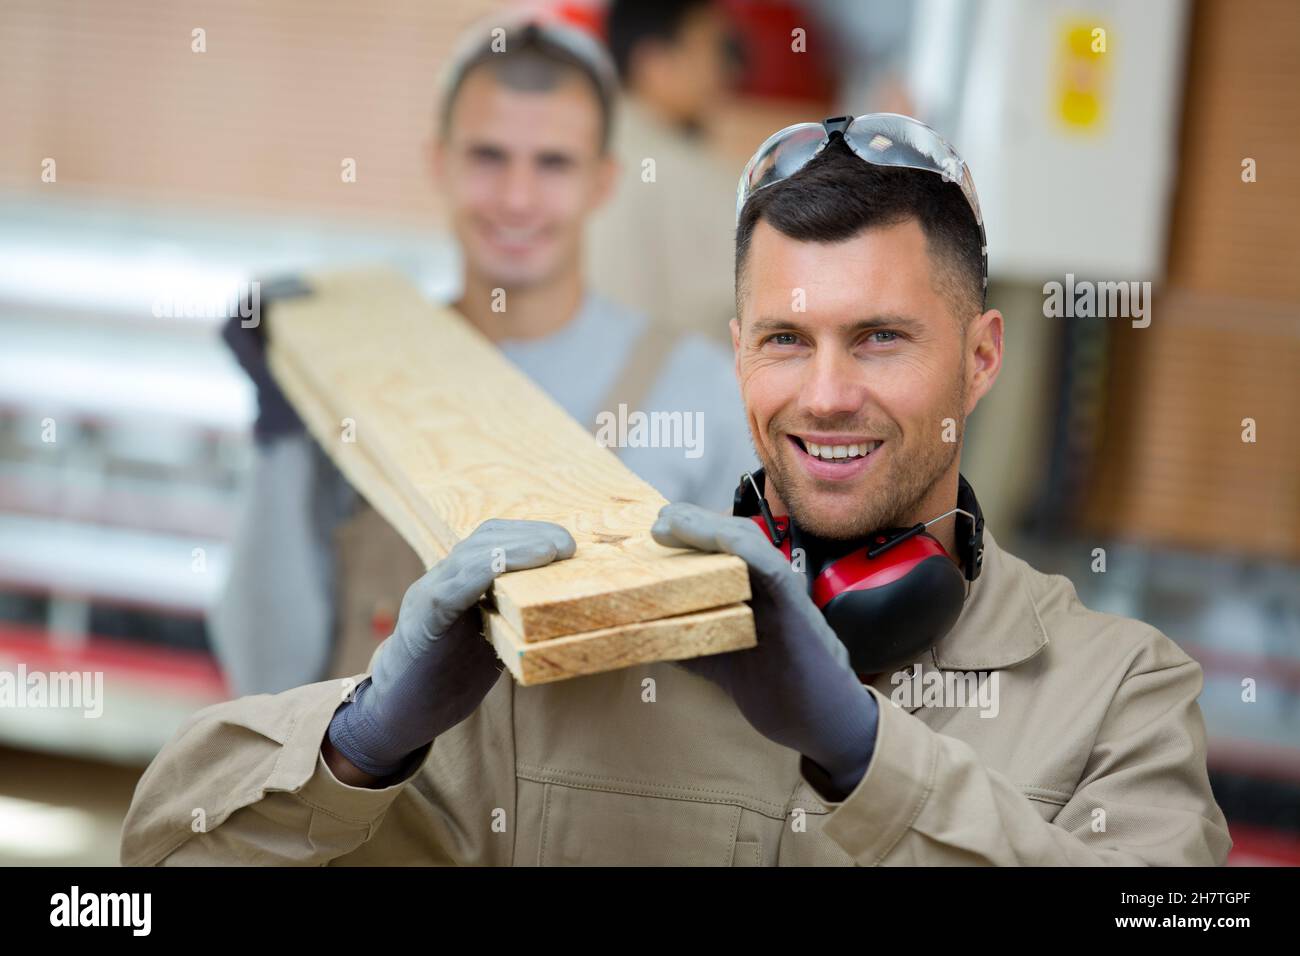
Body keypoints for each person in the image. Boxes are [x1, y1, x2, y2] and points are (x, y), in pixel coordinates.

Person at [124, 114, 1230, 866]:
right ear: (736, 356)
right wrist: (362, 738)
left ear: (982, 357)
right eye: (786, 339)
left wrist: (866, 755)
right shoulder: (578, 641)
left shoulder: (1120, 693)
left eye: (882, 337)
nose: (828, 393)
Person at [209, 18, 756, 697]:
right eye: (488, 157)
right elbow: (267, 676)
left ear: (603, 182)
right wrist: (282, 431)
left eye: (553, 163)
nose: (517, 198)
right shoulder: (364, 385)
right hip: (380, 806)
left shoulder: (702, 394)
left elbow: (738, 703)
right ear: (439, 163)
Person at [586, 0, 740, 343]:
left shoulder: (572, 154)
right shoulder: (686, 171)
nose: (723, 72)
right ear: (654, 63)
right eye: (712, 50)